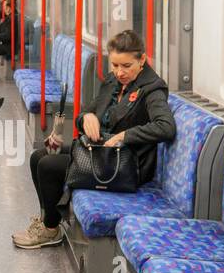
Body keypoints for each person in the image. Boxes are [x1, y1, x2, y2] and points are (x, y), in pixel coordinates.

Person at [12, 29, 177, 248]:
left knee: (49, 165)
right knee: (38, 156)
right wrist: (87, 117)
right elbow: (86, 111)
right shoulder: (112, 82)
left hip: (126, 164)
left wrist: (125, 135)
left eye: (126, 66)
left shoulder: (152, 89)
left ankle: (51, 230)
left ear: (142, 60)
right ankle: (47, 222)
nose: (119, 72)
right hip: (101, 153)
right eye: (115, 65)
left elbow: (166, 127)